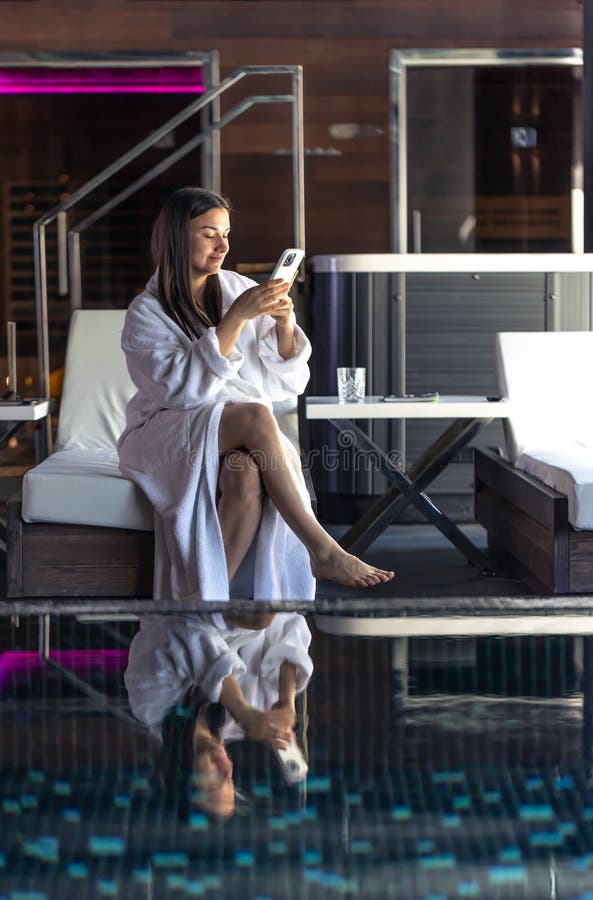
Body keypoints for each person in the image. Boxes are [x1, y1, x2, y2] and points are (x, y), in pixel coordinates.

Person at [117, 186, 394, 601]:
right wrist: (237, 318)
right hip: (164, 435)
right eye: (209, 233)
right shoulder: (147, 311)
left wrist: (283, 324)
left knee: (245, 474)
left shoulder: (234, 287)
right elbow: (180, 392)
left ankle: (204, 599)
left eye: (226, 233)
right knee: (254, 416)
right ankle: (322, 548)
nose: (223, 245)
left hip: (225, 432)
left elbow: (284, 379)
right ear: (177, 236)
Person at [125, 611, 313, 818]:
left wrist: (242, 710)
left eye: (215, 781)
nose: (226, 768)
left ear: (181, 777)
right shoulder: (240, 721)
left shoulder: (149, 702)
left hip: (190, 590)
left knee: (261, 617)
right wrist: (287, 700)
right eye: (230, 780)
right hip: (260, 593)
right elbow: (290, 624)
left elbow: (183, 632)